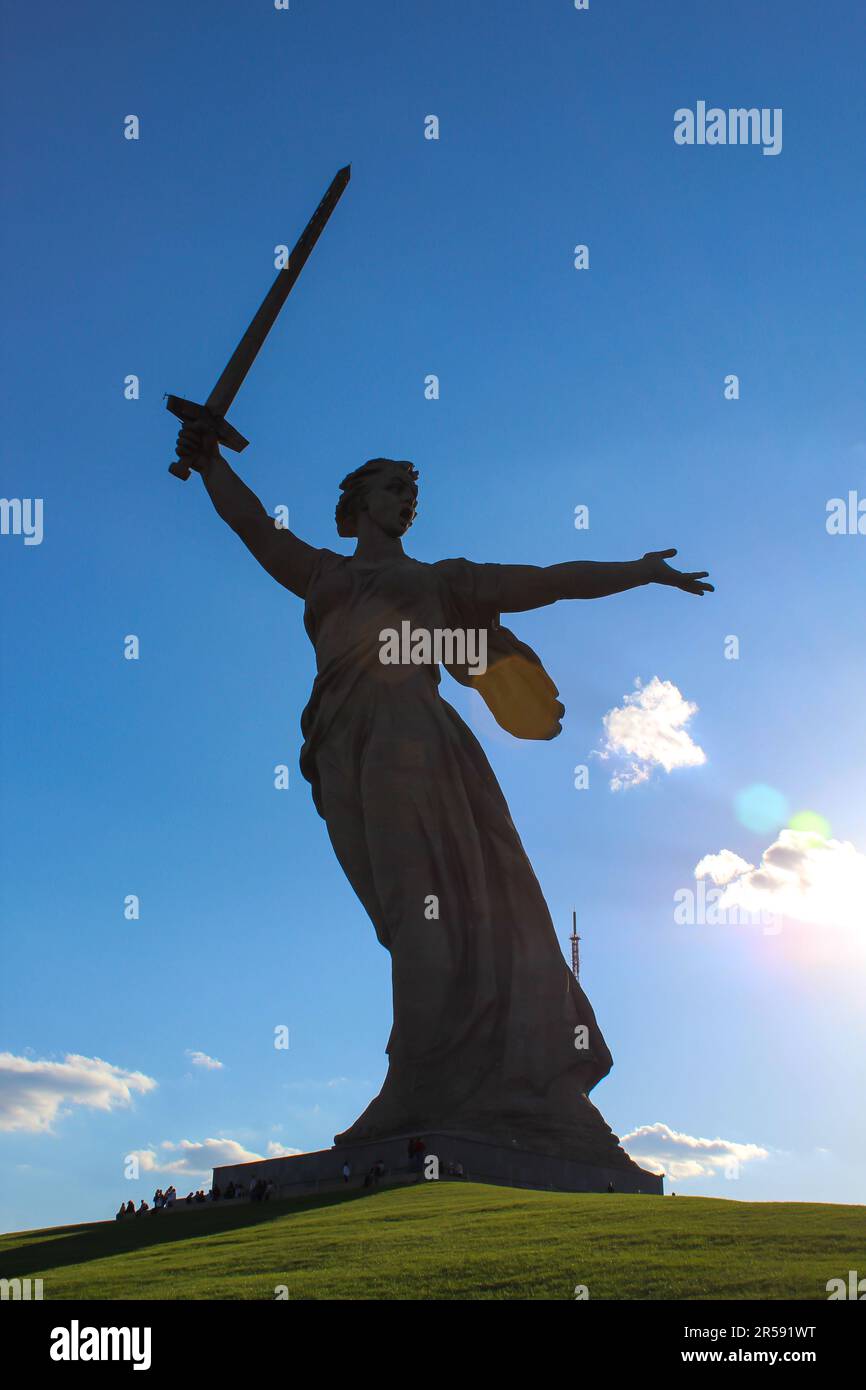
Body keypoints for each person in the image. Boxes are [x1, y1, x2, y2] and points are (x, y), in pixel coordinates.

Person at [176, 428, 712, 1153]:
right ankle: (443, 1073)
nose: (408, 502)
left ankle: (417, 1082)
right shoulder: (324, 575)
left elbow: (548, 580)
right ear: (357, 503)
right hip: (337, 749)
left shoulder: (440, 581)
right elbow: (249, 524)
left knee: (417, 904)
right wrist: (210, 463)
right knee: (399, 920)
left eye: (413, 493)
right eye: (395, 488)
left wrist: (639, 571)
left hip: (413, 739)